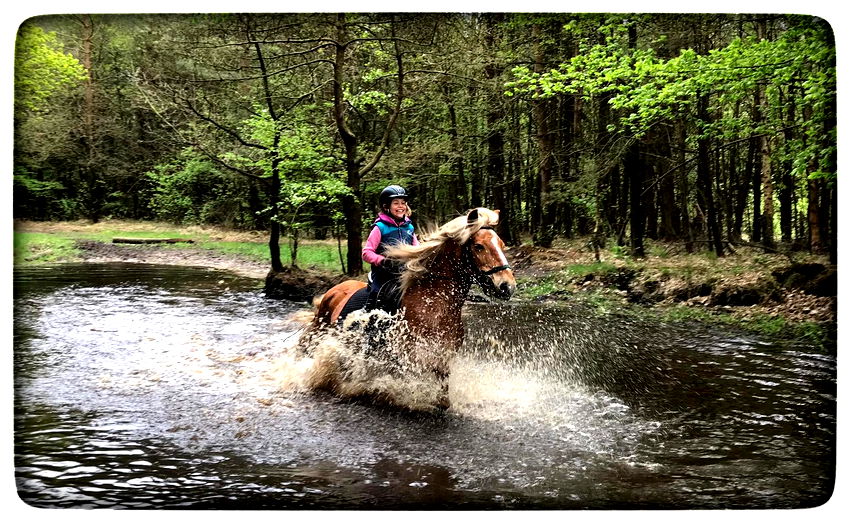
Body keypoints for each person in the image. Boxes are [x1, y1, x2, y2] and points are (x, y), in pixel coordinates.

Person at [361, 184, 419, 312]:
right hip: (383, 274)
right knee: (378, 294)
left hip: (405, 273)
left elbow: (417, 249)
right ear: (386, 206)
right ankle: (367, 320)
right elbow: (366, 253)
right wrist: (383, 261)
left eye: (403, 203)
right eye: (396, 203)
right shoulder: (380, 227)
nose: (401, 206)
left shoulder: (409, 228)